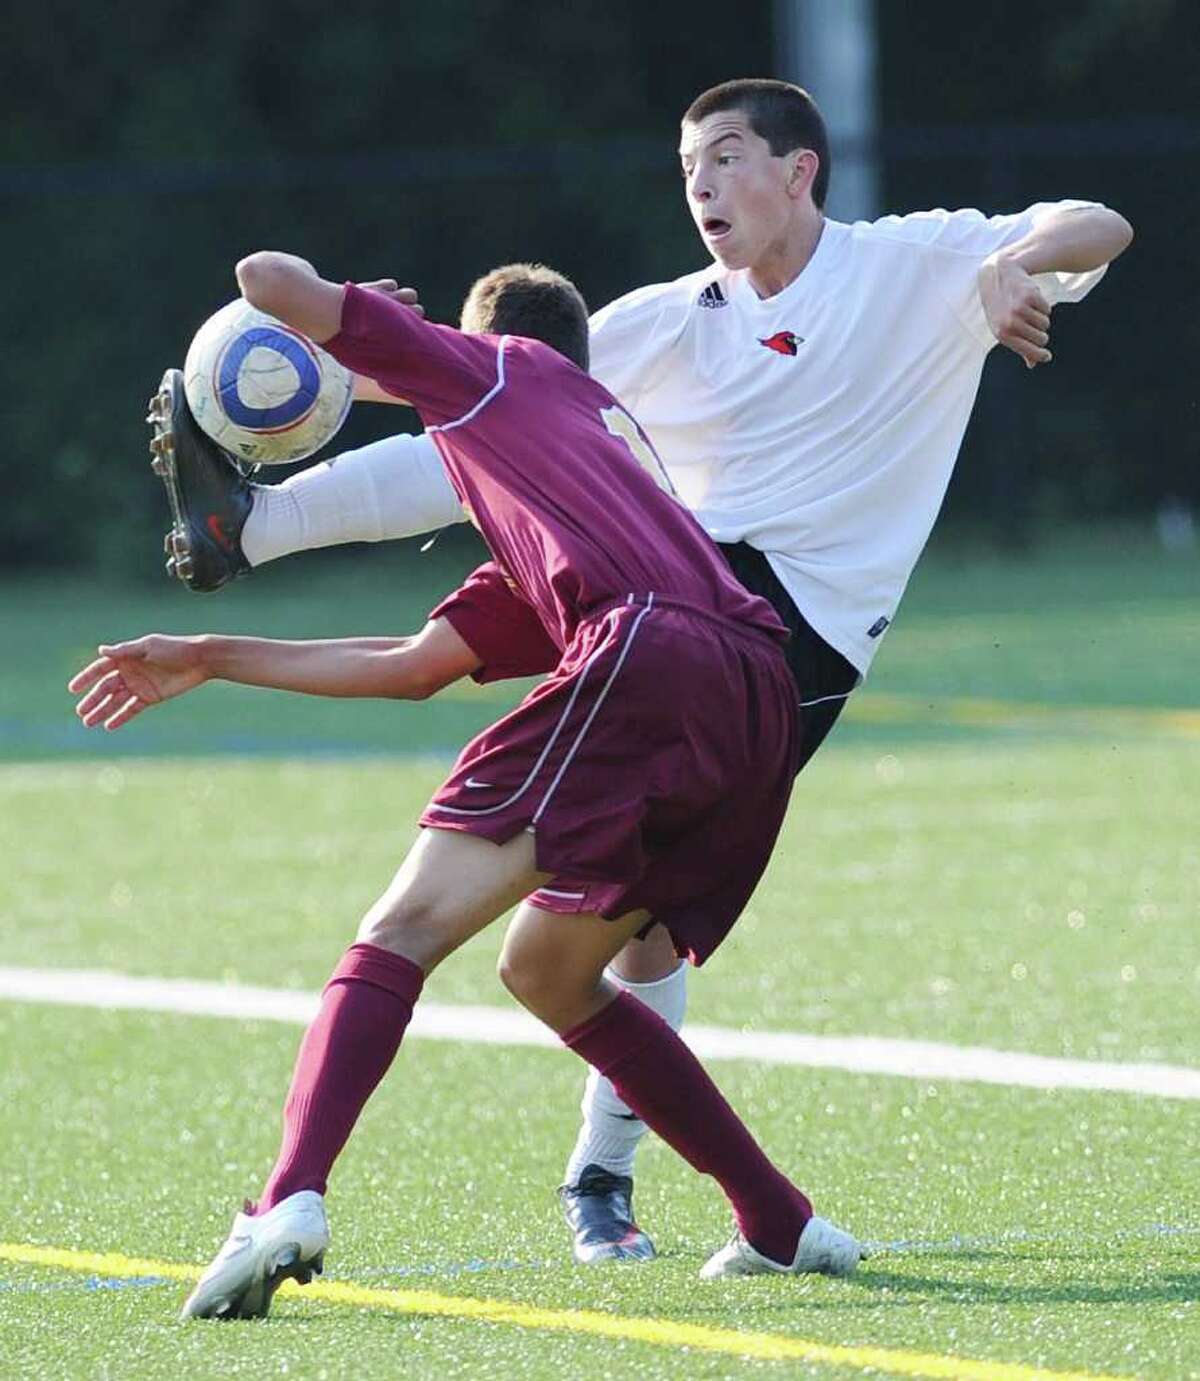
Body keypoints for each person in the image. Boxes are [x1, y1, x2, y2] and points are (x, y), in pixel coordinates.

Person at [149, 78, 1133, 1265]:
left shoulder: (912, 264)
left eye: (726, 157)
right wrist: (271, 519)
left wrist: (1008, 267)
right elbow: (466, 448)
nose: (703, 185)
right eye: (687, 166)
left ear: (799, 170)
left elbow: (1099, 222)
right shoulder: (666, 321)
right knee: (565, 953)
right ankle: (731, 1210)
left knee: (589, 934)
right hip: (668, 594)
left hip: (786, 636)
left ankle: (587, 1179)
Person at [75, 255, 869, 1319]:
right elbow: (411, 664)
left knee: (398, 930)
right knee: (549, 969)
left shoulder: (503, 368)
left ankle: (286, 1200)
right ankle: (781, 1222)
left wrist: (354, 328)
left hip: (652, 649)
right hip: (754, 695)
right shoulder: (575, 484)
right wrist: (215, 652)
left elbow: (263, 279)